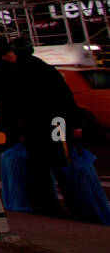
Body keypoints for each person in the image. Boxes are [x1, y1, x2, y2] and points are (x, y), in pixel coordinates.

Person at [12, 37, 82, 217]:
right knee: (61, 162)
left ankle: (49, 206)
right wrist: (75, 123)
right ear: (32, 50)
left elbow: (14, 103)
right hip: (56, 123)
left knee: (39, 165)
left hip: (32, 126)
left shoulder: (15, 74)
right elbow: (66, 98)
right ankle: (74, 204)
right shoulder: (47, 70)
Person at [0, 38, 23, 148]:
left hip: (7, 115)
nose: (15, 55)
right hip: (15, 114)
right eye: (12, 52)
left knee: (13, 142)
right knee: (16, 142)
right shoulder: (9, 70)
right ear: (4, 56)